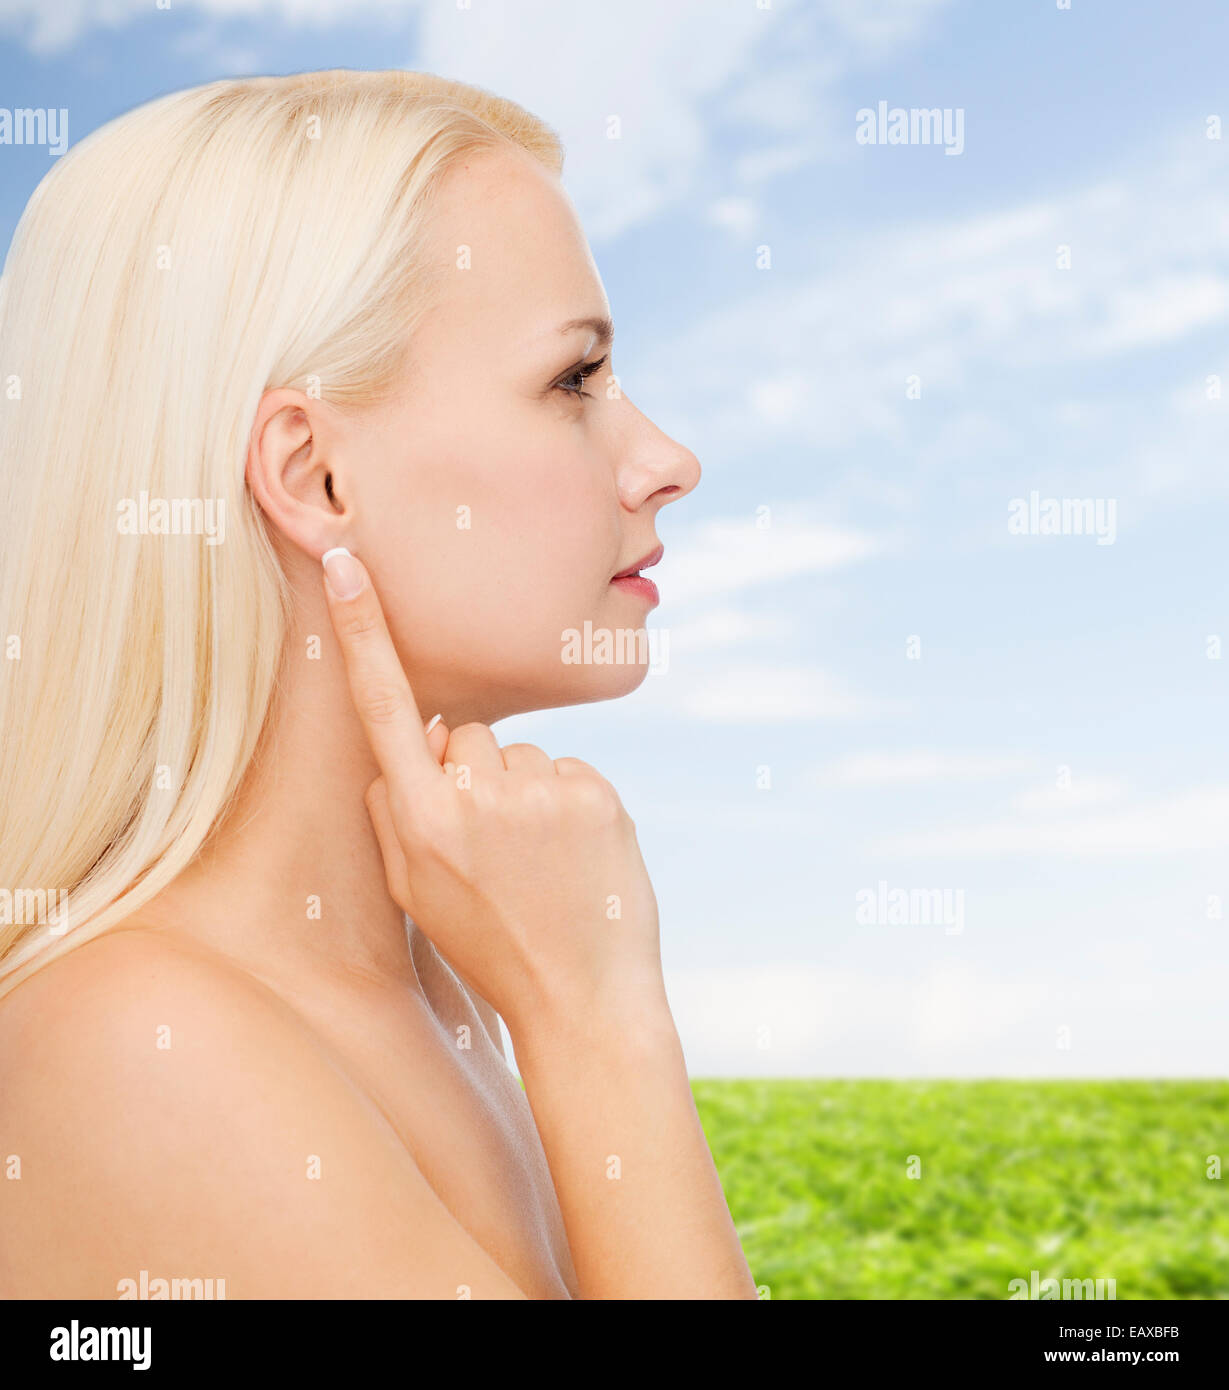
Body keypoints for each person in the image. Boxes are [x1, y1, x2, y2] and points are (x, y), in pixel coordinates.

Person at [0, 69, 756, 1299]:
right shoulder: (143, 1047)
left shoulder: (425, 986)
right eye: (572, 381)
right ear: (312, 475)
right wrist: (594, 1026)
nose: (667, 461)